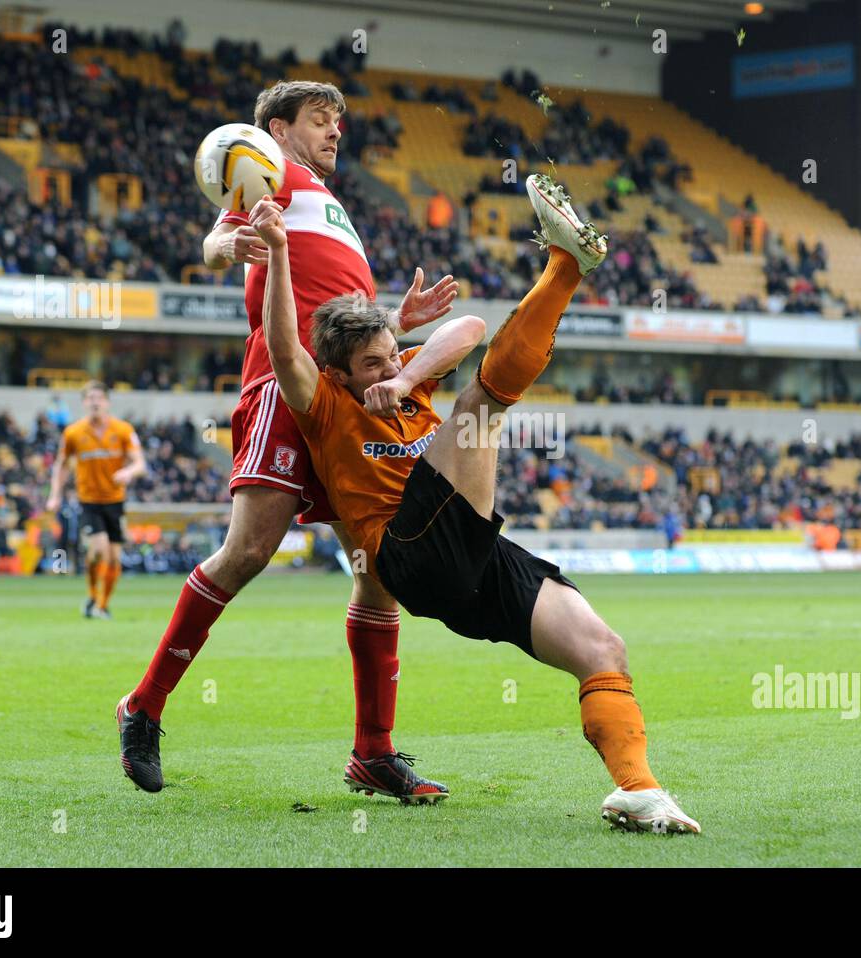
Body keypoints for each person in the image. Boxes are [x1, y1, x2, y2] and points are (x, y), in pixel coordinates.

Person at [247, 174, 699, 833]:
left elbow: (470, 325)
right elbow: (285, 348)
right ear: (339, 376)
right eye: (370, 366)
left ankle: (639, 790)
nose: (384, 370)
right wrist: (280, 249)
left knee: (602, 647)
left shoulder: (407, 382)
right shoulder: (325, 406)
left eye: (388, 355)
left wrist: (405, 372)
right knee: (479, 409)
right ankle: (567, 266)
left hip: (468, 559)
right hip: (405, 554)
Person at [116, 80, 459, 801]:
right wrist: (225, 244)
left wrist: (398, 323)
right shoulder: (267, 167)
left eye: (339, 122)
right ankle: (143, 706)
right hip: (285, 378)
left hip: (343, 395)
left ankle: (373, 753)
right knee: (247, 552)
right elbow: (217, 241)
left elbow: (339, 314)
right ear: (277, 126)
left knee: (376, 570)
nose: (336, 133)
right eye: (320, 120)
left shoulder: (332, 207)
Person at [46, 381, 147, 618]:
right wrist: (55, 495)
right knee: (99, 550)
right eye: (90, 398)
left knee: (114, 558)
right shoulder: (73, 433)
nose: (94, 402)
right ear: (84, 403)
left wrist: (128, 472)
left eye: (99, 398)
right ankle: (92, 594)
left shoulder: (123, 430)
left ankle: (101, 605)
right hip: (89, 501)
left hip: (115, 501)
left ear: (107, 402)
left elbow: (140, 464)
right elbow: (61, 466)